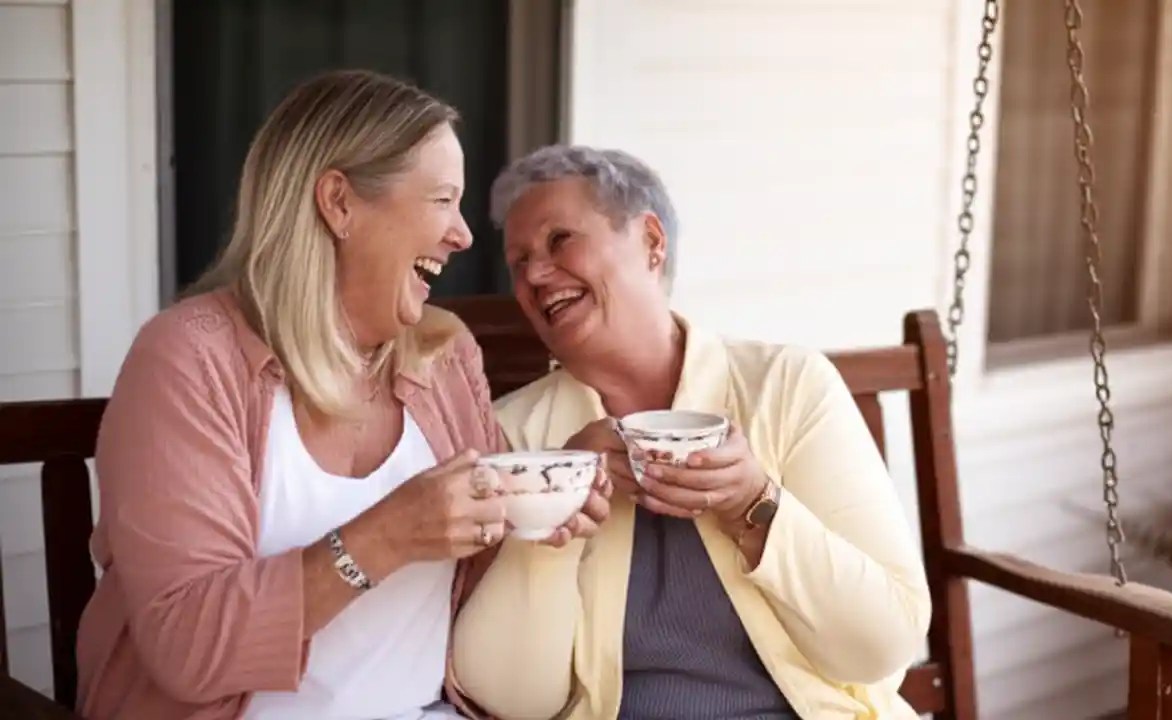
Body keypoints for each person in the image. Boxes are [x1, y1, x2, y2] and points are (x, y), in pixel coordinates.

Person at [74, 71, 606, 720]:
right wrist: (383, 538)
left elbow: (479, 597)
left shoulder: (444, 354)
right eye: (442, 200)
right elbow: (187, 647)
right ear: (339, 203)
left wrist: (544, 510)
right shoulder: (189, 360)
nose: (463, 235)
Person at [452, 145, 932, 719]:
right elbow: (512, 701)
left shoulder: (786, 386)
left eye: (560, 241)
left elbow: (883, 644)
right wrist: (556, 515)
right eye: (519, 260)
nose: (533, 274)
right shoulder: (516, 434)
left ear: (652, 242)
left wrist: (755, 506)